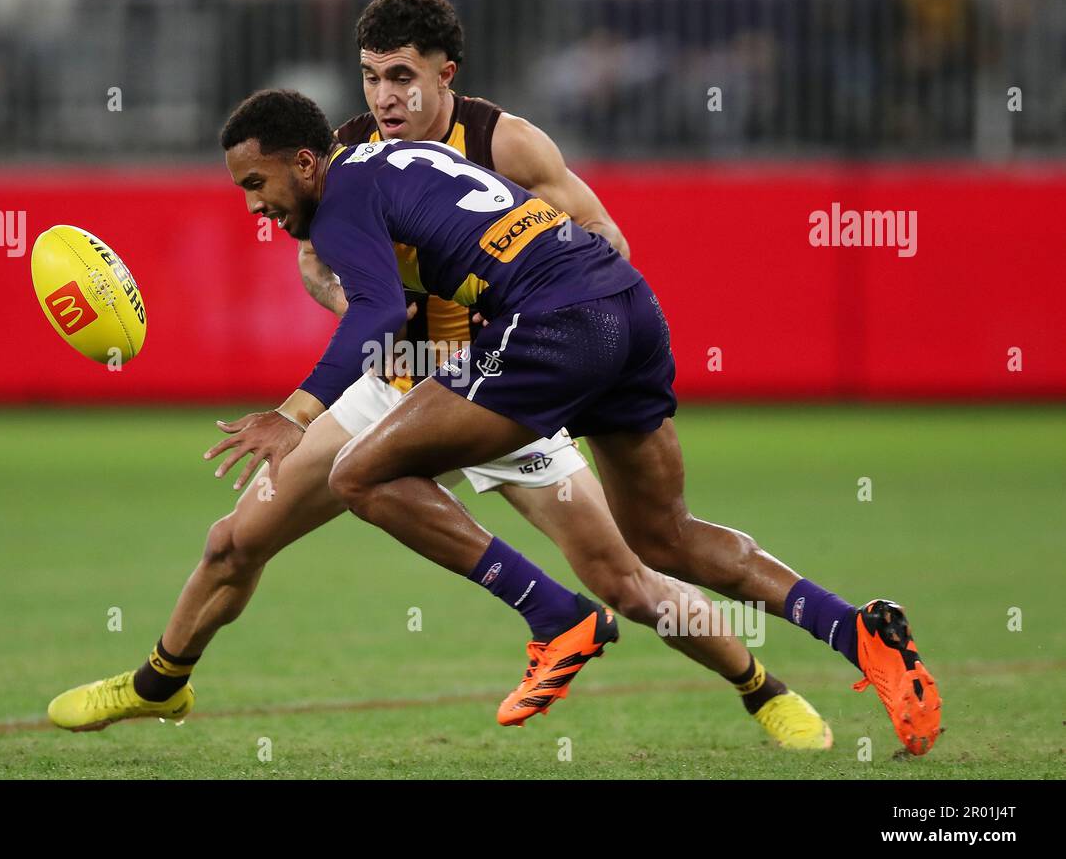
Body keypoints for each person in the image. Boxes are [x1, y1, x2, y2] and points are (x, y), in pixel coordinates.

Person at [210, 88, 941, 754]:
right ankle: (855, 627)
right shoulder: (408, 155)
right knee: (665, 535)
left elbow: (374, 311)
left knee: (360, 472)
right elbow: (412, 290)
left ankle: (556, 614)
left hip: (553, 325)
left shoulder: (341, 200)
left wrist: (293, 413)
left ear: (306, 163)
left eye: (256, 184)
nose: (253, 207)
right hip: (627, 303)